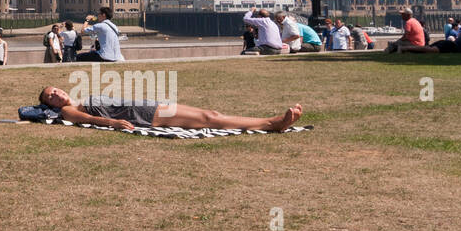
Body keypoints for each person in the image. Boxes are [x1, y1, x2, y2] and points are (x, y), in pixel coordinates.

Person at [36, 86, 304, 133]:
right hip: (144, 116)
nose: (57, 94)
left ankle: (272, 122)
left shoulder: (81, 97)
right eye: (51, 97)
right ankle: (273, 123)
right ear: (50, 105)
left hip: (146, 107)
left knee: (210, 114)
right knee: (209, 119)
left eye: (56, 90)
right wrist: (114, 124)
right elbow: (92, 119)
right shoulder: (68, 112)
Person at [396, 6, 461, 54]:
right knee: (429, 50)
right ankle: (404, 48)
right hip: (451, 46)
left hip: (449, 43)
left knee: (427, 49)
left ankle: (404, 48)